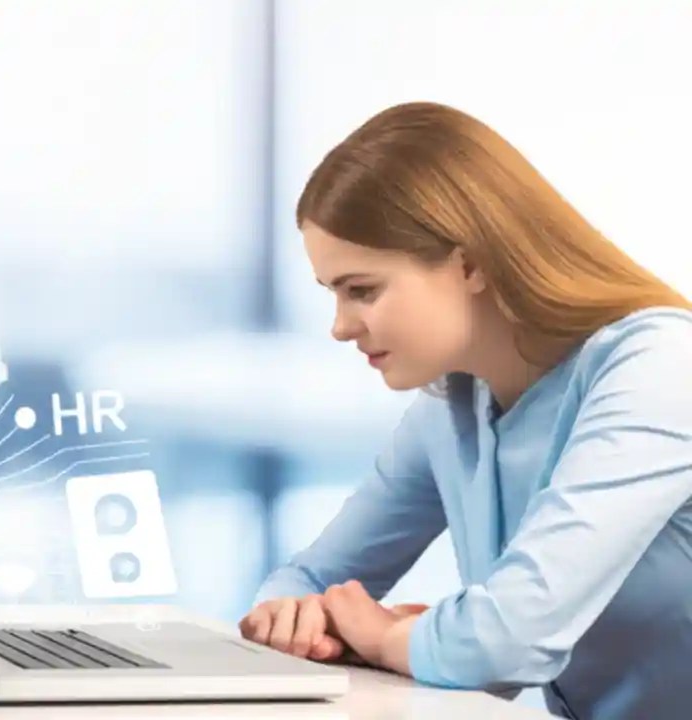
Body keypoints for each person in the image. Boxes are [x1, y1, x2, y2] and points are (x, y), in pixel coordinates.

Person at [238, 101, 692, 720]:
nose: (341, 327)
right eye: (333, 293)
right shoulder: (452, 403)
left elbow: (508, 637)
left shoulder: (660, 364)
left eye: (362, 290)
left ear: (470, 262)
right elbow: (309, 578)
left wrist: (384, 638)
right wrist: (297, 618)